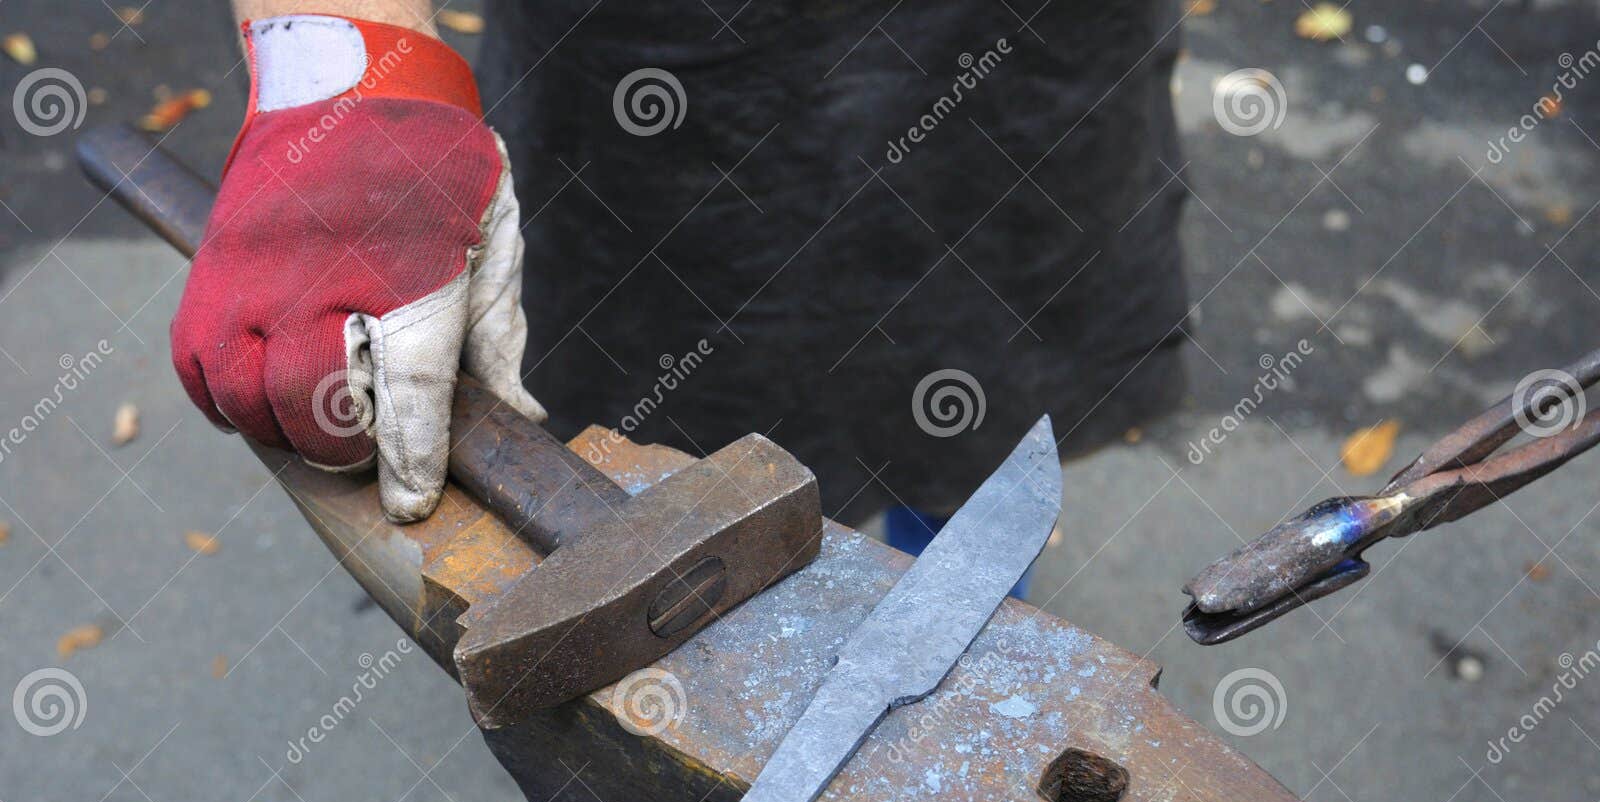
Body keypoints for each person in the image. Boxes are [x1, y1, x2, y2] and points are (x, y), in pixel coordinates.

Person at [172, 1, 1189, 576]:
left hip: (1026, 56)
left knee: (976, 386)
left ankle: (957, 587)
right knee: (666, 453)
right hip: (649, 80)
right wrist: (349, 81)